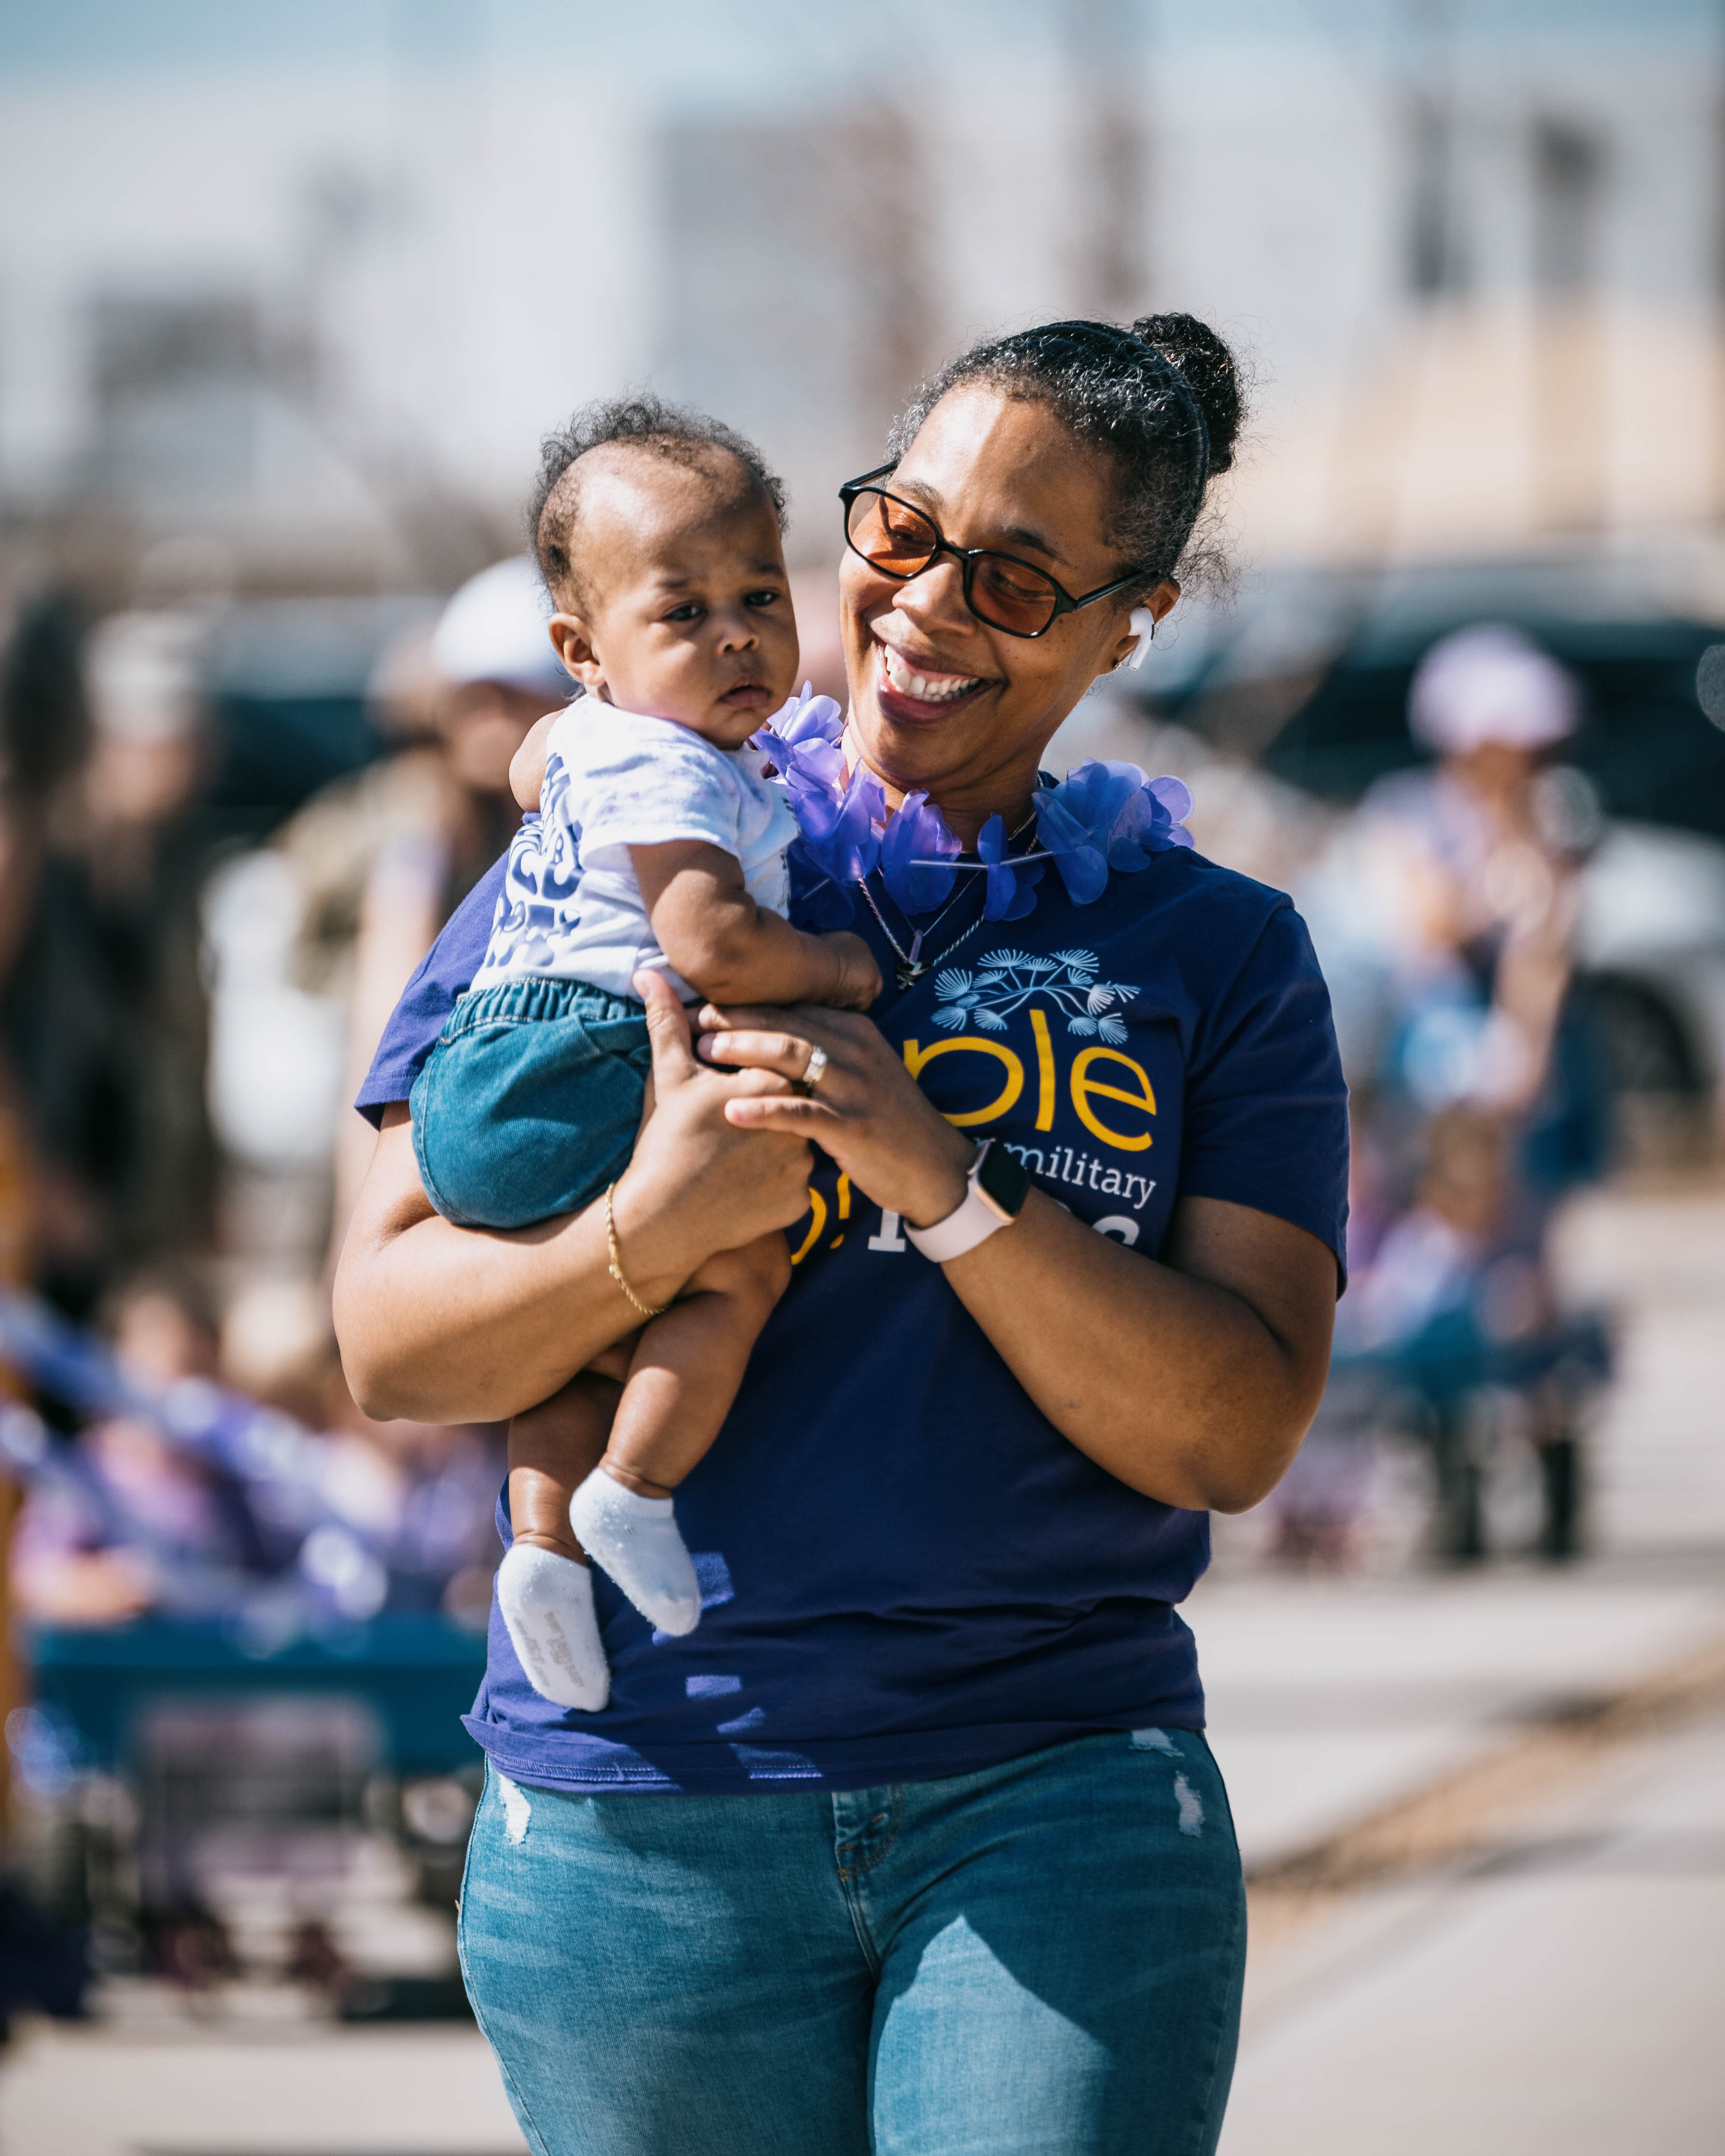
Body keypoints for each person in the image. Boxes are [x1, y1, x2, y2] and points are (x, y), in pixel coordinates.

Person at [334, 314, 1349, 2156]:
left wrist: (944, 1181)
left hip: (1053, 1800)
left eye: (1020, 576)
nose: (928, 606)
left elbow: (1234, 1429)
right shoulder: (631, 840)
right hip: (637, 1820)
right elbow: (393, 1344)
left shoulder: (1224, 954)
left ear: (1133, 620)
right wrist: (649, 1232)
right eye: (903, 531)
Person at [411, 400, 880, 1706]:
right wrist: (845, 970)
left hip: (488, 1079)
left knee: (579, 1337)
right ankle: (634, 1487)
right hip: (595, 1050)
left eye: (758, 597)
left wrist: (581, 715)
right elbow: (714, 940)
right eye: (685, 612)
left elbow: (525, 760)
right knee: (733, 1266)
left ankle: (545, 1551)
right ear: (583, 647)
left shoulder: (589, 738)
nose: (737, 634)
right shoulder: (678, 768)